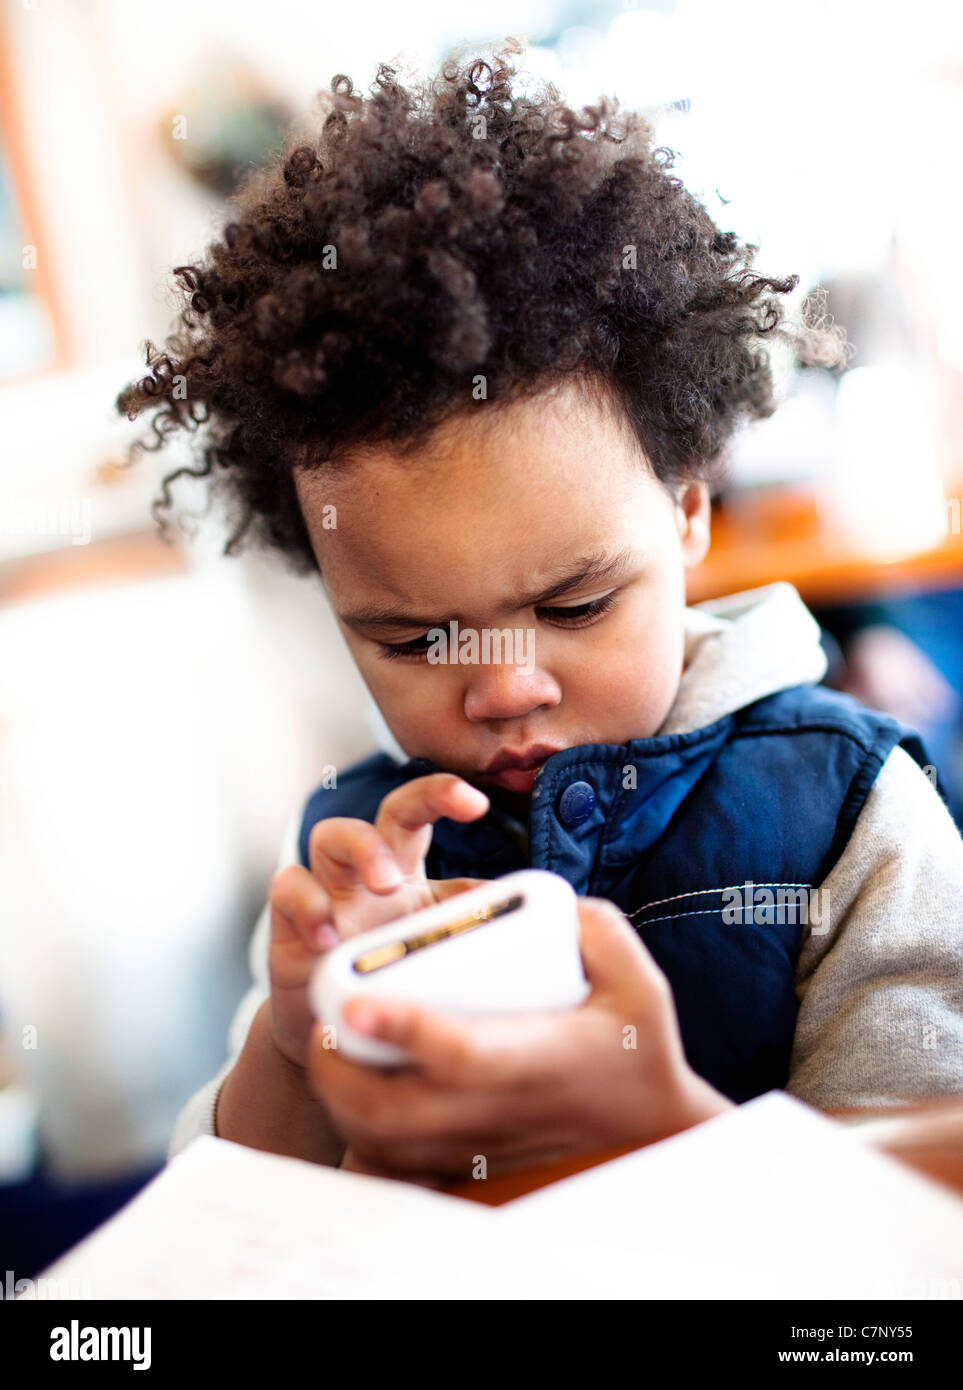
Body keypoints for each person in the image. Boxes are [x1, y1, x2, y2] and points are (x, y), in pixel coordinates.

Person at [117, 45, 963, 1182]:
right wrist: (293, 1036)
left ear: (688, 519)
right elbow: (233, 1209)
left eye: (573, 603)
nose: (504, 681)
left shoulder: (854, 817)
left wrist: (663, 1122)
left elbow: (913, 1231)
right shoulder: (355, 852)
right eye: (414, 637)